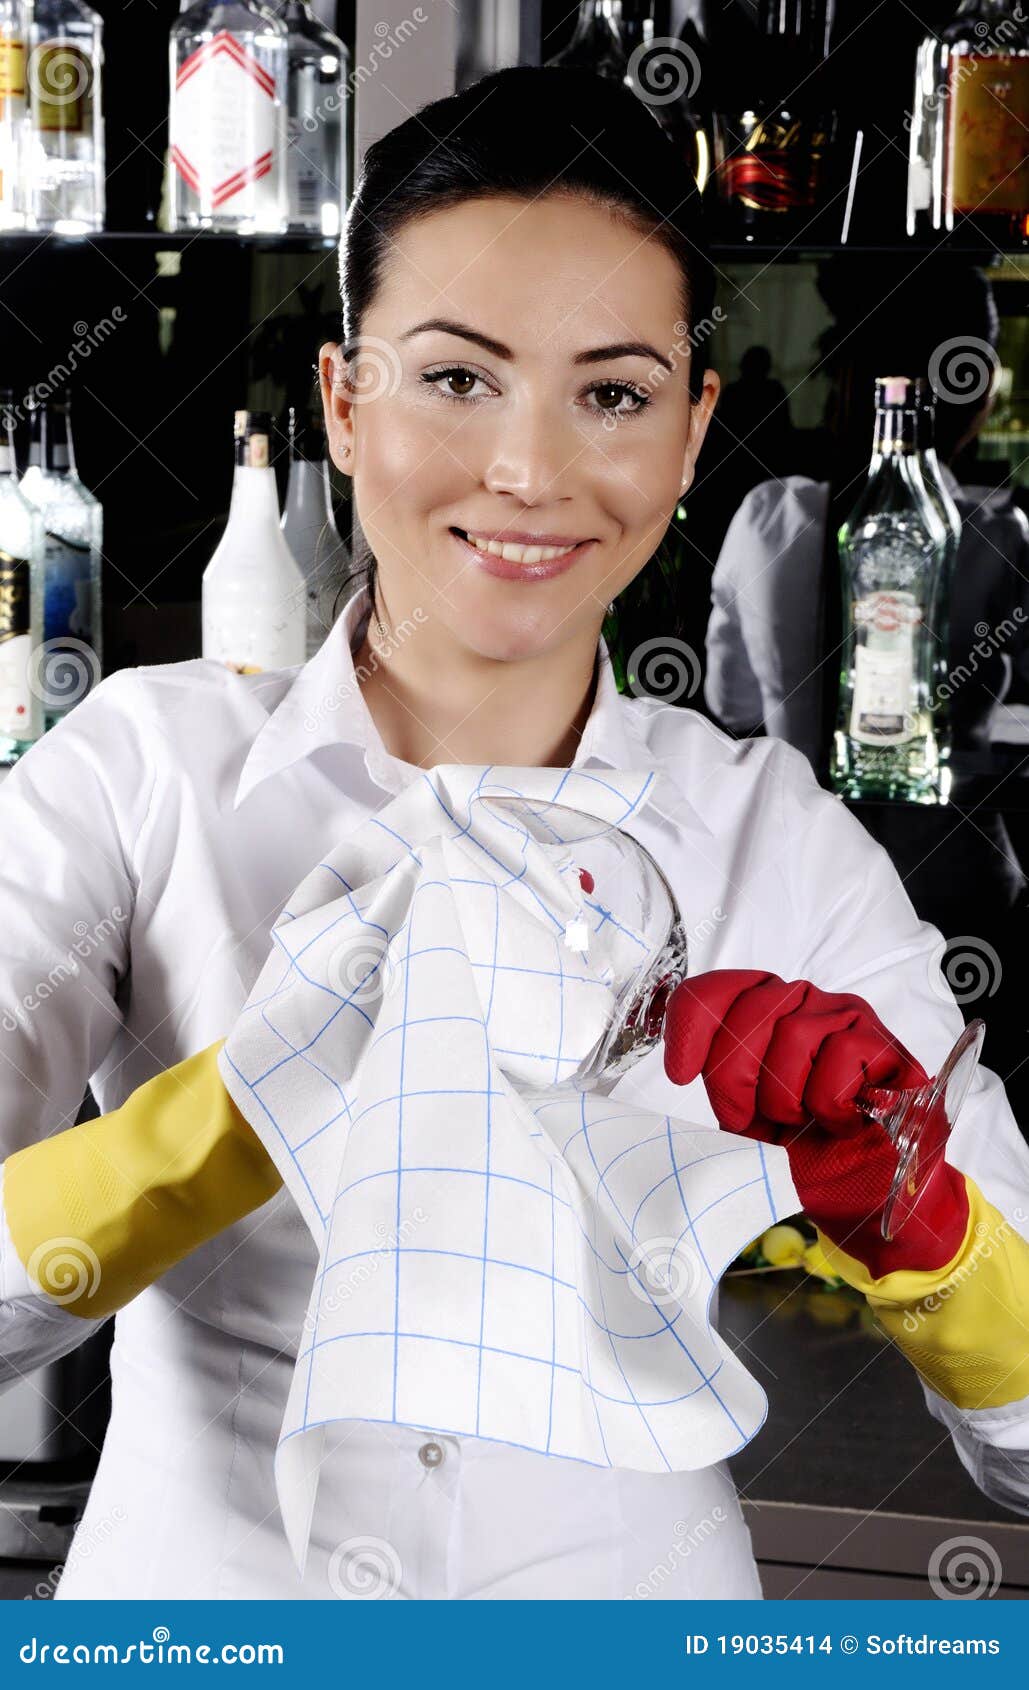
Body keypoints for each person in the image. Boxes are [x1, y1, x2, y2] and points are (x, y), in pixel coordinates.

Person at [1, 66, 1029, 1603]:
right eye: (455, 378)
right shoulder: (141, 773)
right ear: (344, 403)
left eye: (611, 394)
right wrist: (202, 1135)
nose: (529, 473)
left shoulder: (771, 840)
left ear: (689, 432)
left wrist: (923, 1227)